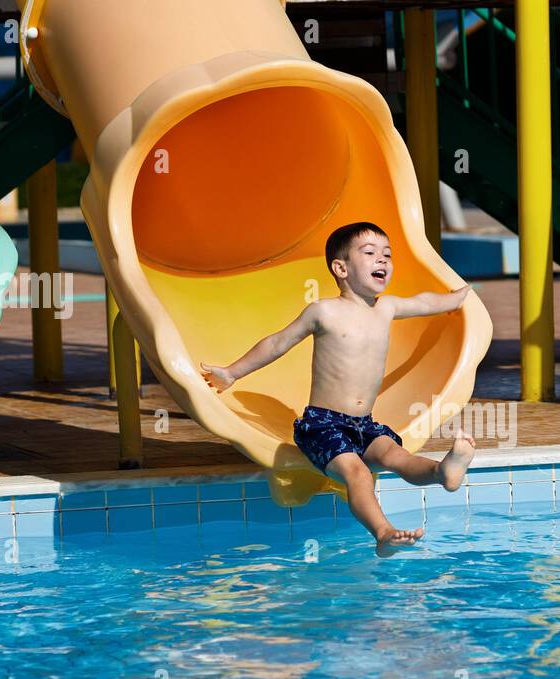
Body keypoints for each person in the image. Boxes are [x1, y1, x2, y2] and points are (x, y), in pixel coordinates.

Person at [201, 222, 475, 556]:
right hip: (322, 424)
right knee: (358, 474)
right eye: (370, 253)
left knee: (397, 456)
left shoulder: (386, 308)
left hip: (366, 423)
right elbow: (277, 343)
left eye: (387, 254)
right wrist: (232, 373)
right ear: (341, 268)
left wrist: (455, 297)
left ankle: (442, 472)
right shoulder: (324, 311)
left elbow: (423, 302)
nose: (383, 260)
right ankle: (383, 531)